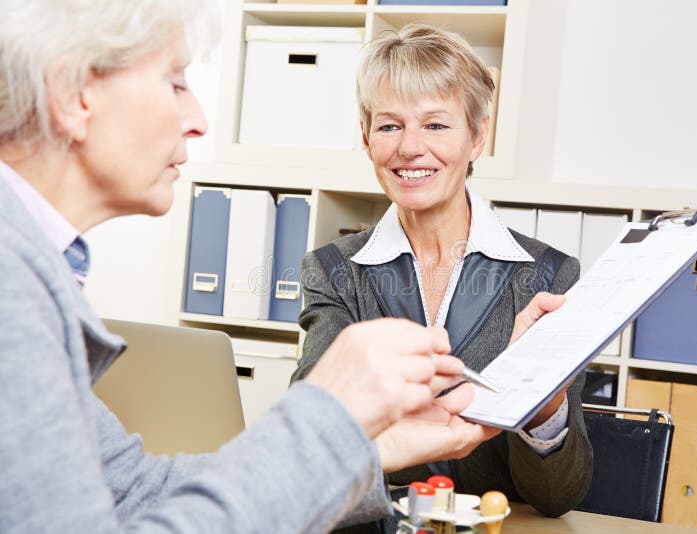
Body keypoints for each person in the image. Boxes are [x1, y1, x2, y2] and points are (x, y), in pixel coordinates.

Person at [0, 2, 499, 532]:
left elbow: (136, 492)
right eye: (175, 82)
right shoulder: (12, 291)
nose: (198, 121)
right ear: (72, 94)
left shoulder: (30, 271)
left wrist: (366, 448)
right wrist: (330, 414)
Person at [292, 23, 593, 532]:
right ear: (367, 140)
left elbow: (558, 495)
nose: (410, 148)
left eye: (435, 125)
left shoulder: (547, 275)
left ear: (477, 136)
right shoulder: (333, 272)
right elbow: (309, 441)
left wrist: (539, 405)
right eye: (389, 126)